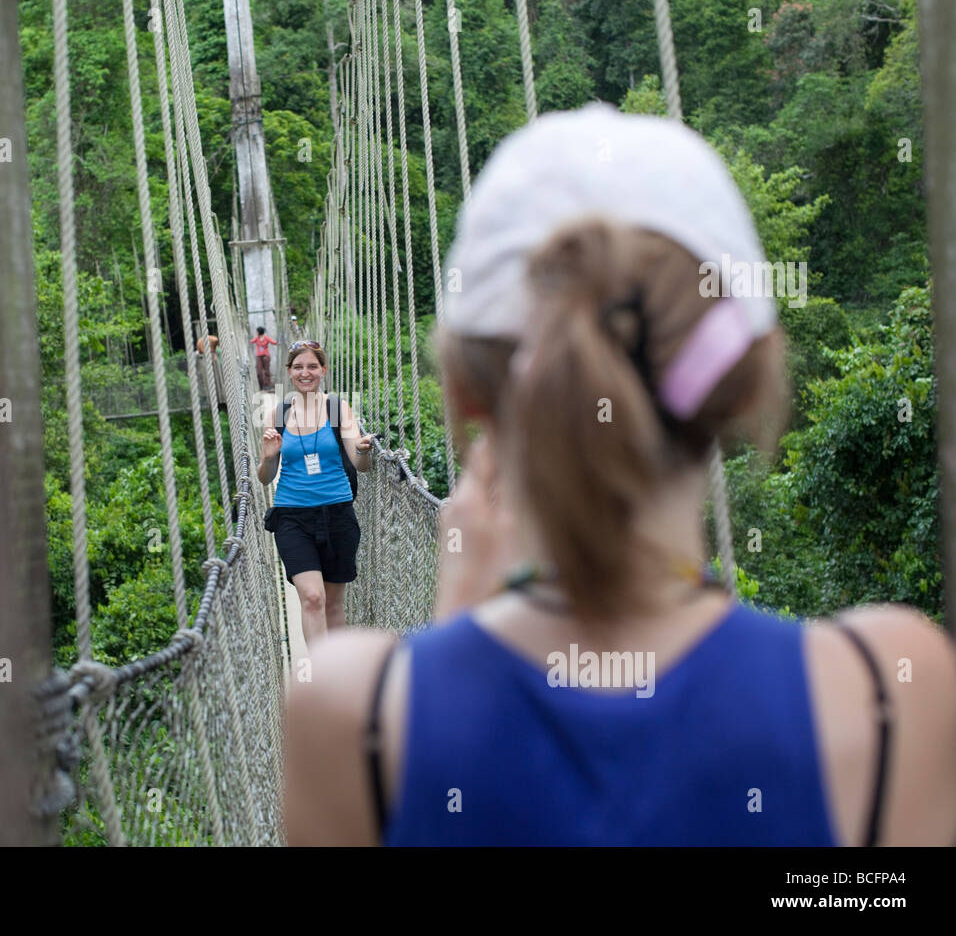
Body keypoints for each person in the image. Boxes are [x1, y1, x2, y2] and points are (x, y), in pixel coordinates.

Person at [283, 103, 956, 846]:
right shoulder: (890, 689)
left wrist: (454, 656)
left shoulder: (351, 713)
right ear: (743, 383)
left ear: (468, 394)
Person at [258, 340, 376, 645]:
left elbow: (360, 464)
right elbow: (264, 478)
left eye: (312, 366)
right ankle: (321, 678)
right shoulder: (278, 413)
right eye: (298, 367)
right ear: (288, 372)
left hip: (337, 513)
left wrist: (363, 450)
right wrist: (269, 457)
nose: (305, 373)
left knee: (334, 605)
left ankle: (337, 677)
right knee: (312, 598)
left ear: (323, 370)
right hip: (292, 518)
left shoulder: (338, 409)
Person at [251, 326, 278, 392]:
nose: (256, 332)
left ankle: (267, 385)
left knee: (266, 371)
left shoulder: (266, 338)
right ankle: (261, 386)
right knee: (259, 372)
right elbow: (251, 342)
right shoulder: (257, 339)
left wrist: (279, 340)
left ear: (259, 332)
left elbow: (273, 342)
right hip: (259, 357)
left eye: (257, 331)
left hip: (266, 356)